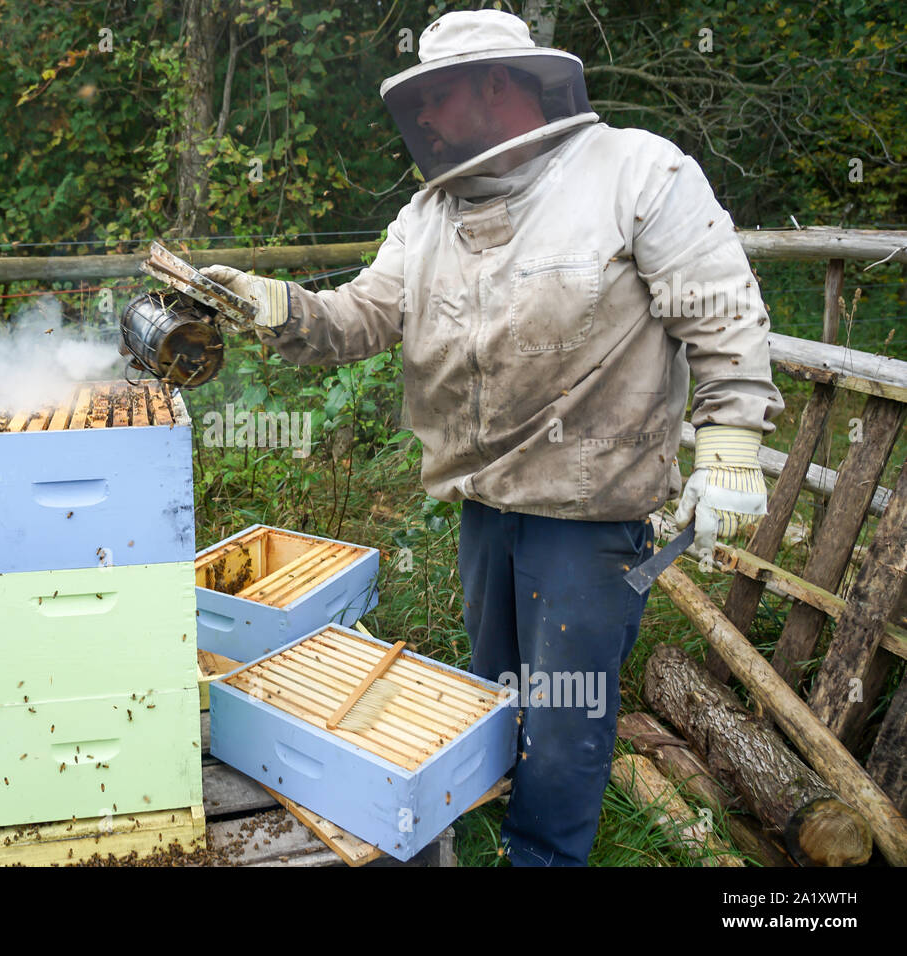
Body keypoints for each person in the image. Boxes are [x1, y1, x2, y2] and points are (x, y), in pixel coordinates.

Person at [202, 9, 783, 866]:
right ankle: (493, 819)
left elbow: (722, 313)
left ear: (501, 85)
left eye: (435, 98)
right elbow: (364, 315)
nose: (423, 121)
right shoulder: (430, 211)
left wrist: (731, 446)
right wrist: (280, 307)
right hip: (482, 503)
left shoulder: (636, 171)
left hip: (588, 516)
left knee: (568, 710)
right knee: (494, 685)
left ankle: (545, 856)